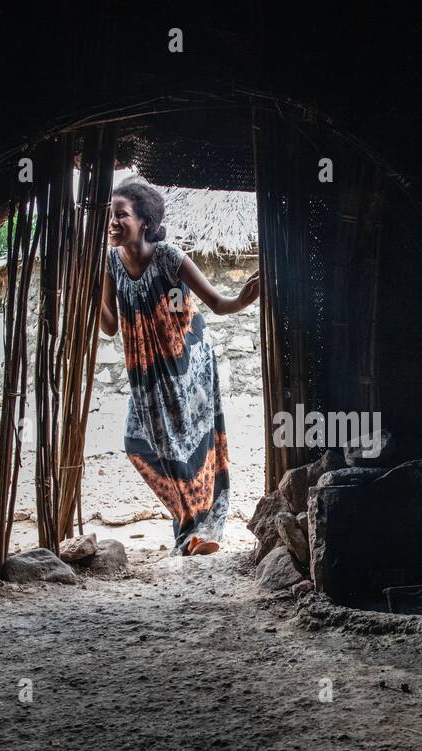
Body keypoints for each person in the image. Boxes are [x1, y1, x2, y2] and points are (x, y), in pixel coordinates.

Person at [97, 179, 260, 555]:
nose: (113, 222)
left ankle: (194, 532)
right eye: (110, 216)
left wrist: (244, 298)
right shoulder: (108, 263)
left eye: (121, 215)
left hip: (188, 362)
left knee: (190, 446)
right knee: (137, 443)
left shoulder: (169, 256)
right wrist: (87, 291)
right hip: (144, 370)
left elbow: (218, 304)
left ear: (145, 221)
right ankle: (191, 524)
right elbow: (108, 326)